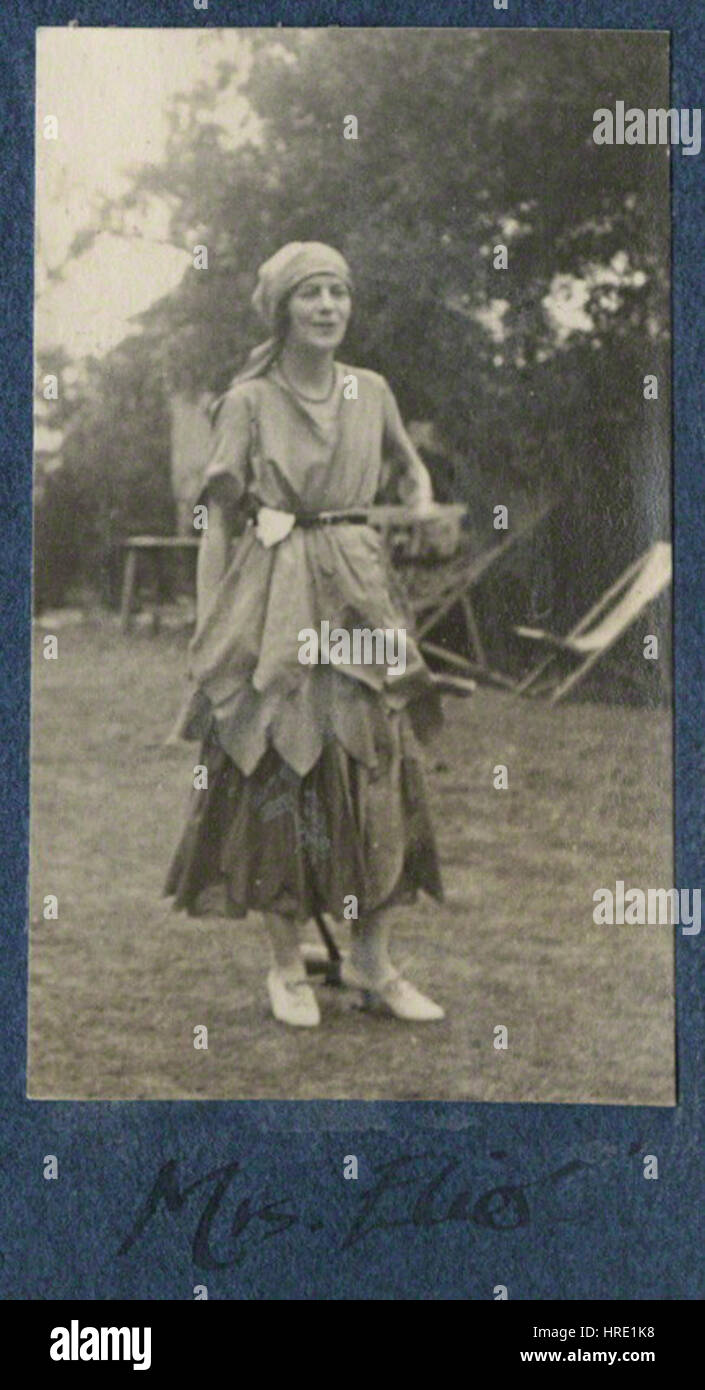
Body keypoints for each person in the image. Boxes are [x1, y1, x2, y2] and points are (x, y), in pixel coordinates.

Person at [165, 241, 446, 1028]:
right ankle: (286, 966)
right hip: (276, 588)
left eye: (338, 293)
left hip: (359, 586)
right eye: (310, 294)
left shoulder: (372, 391)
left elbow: (409, 465)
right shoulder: (248, 400)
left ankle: (371, 962)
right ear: (282, 309)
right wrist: (211, 624)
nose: (327, 307)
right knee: (276, 759)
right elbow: (217, 525)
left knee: (379, 760)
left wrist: (417, 492)